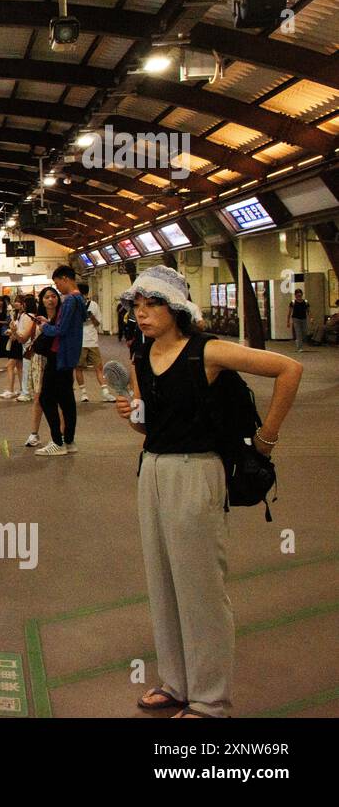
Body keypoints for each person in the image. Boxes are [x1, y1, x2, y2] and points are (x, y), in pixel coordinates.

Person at [115, 266, 302, 718]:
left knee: (201, 589)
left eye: (151, 305)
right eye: (136, 307)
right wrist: (130, 413)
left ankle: (211, 700)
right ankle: (177, 682)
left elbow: (289, 368)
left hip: (197, 472)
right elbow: (147, 424)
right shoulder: (142, 353)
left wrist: (267, 438)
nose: (140, 315)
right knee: (163, 583)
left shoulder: (208, 351)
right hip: (153, 470)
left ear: (176, 307)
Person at [30, 265, 86, 456]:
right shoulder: (80, 300)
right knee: (67, 400)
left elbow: (60, 330)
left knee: (46, 398)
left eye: (57, 283)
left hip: (59, 355)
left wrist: (44, 326)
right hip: (69, 355)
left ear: (65, 279)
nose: (57, 288)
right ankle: (69, 441)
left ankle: (57, 441)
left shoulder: (70, 300)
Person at [24, 286, 59, 444]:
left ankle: (62, 437)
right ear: (42, 300)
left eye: (53, 296)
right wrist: (14, 332)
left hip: (57, 359)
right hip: (39, 360)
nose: (50, 300)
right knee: (38, 397)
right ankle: (34, 433)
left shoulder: (61, 317)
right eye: (46, 297)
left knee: (60, 399)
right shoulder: (38, 318)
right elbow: (24, 338)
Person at [75, 282, 109, 401]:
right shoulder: (74, 305)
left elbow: (98, 323)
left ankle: (105, 392)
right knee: (78, 368)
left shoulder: (93, 305)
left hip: (92, 341)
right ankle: (83, 393)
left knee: (99, 367)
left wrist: (91, 317)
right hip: (79, 342)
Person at [1, 295, 32, 399]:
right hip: (16, 342)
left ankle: (11, 390)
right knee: (19, 367)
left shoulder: (26, 315)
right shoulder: (17, 314)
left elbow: (23, 331)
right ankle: (22, 389)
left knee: (10, 365)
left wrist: (14, 332)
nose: (17, 303)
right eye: (16, 301)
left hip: (19, 343)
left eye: (20, 302)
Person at [288, 288, 309, 352]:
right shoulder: (293, 302)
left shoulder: (305, 302)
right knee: (298, 332)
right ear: (295, 295)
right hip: (296, 319)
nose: (299, 297)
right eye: (297, 295)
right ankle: (299, 347)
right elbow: (289, 312)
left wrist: (311, 317)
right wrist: (288, 321)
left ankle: (298, 341)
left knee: (305, 332)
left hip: (304, 318)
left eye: (300, 295)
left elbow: (308, 311)